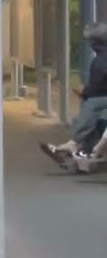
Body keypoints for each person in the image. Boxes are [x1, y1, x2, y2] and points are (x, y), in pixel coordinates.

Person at [42, 22, 107, 167]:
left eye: (89, 41)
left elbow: (97, 89)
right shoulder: (101, 58)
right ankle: (82, 152)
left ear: (93, 42)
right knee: (95, 113)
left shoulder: (100, 61)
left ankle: (74, 145)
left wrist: (83, 92)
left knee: (93, 105)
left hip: (99, 98)